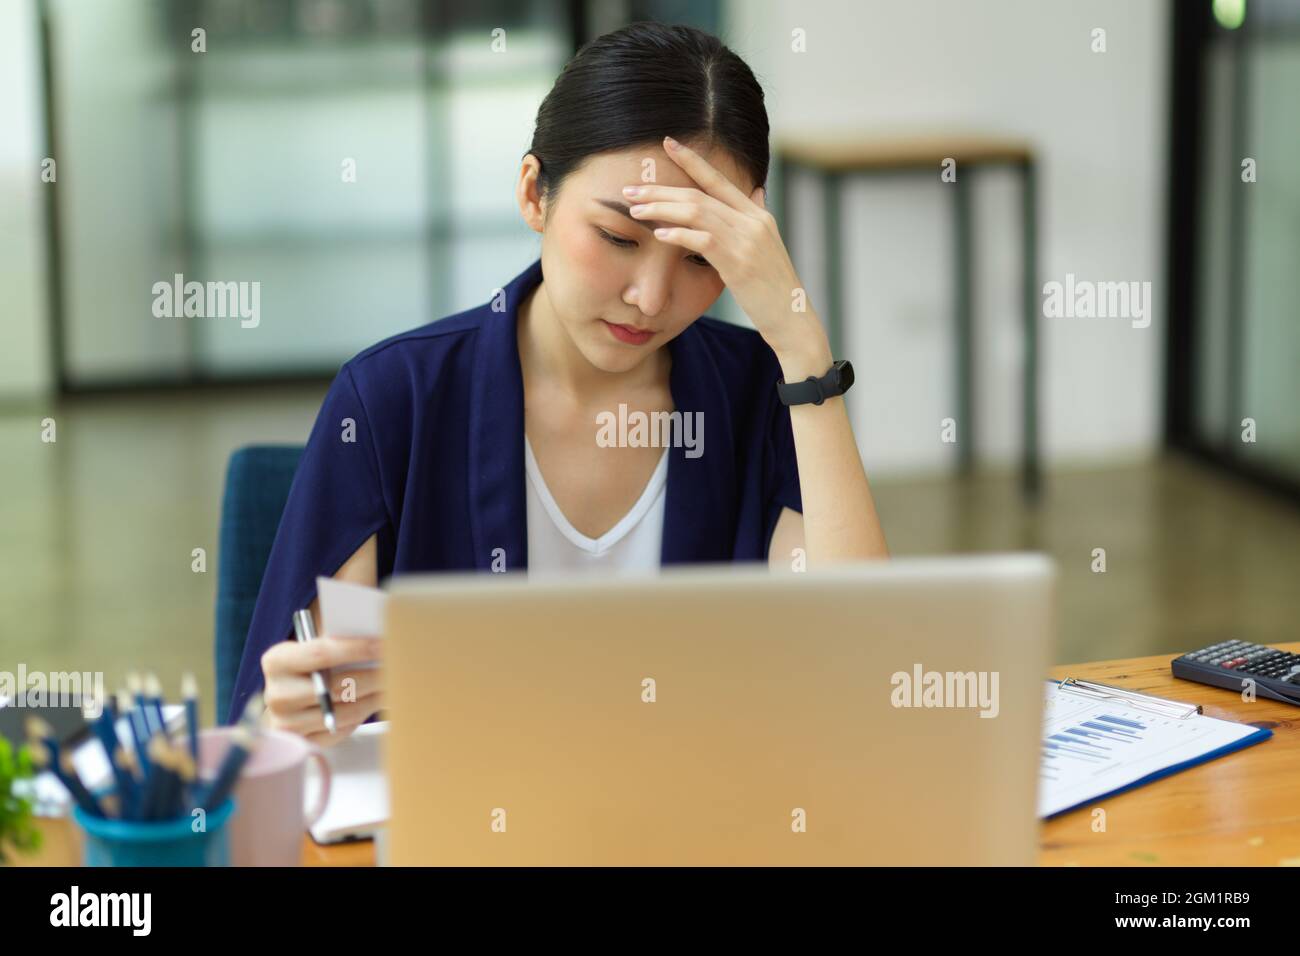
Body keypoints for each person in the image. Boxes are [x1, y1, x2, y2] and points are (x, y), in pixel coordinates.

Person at [235, 21, 889, 742]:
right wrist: (294, 715)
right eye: (617, 238)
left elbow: (856, 675)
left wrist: (802, 349)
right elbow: (289, 737)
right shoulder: (391, 401)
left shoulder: (762, 395)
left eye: (701, 257)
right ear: (534, 193)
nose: (650, 296)